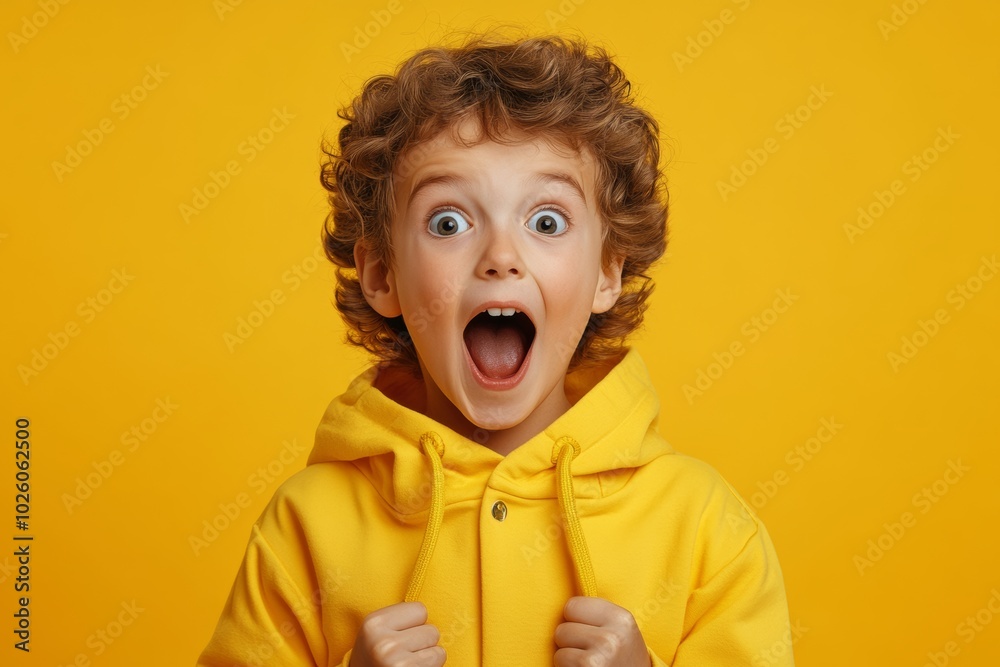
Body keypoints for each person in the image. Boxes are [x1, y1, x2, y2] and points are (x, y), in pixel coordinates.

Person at [198, 31, 794, 667]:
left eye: (546, 222)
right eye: (448, 222)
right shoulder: (305, 529)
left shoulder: (706, 530)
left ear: (607, 271)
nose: (501, 258)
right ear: (382, 276)